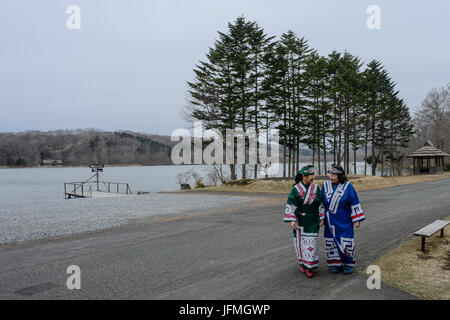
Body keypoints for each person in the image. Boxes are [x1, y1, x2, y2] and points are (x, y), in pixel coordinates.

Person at [322, 164, 365, 274]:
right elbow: (321, 204)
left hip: (344, 219)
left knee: (346, 241)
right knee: (331, 242)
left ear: (340, 176)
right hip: (330, 220)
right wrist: (321, 217)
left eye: (334, 175)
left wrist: (357, 219)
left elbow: (354, 202)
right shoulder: (325, 186)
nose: (331, 177)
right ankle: (335, 264)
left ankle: (348, 264)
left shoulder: (348, 186)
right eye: (330, 174)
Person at [283, 165, 325, 278]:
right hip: (300, 221)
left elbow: (320, 203)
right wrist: (292, 220)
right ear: (304, 176)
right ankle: (302, 263)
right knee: (300, 244)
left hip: (312, 220)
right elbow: (291, 204)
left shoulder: (316, 188)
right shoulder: (295, 189)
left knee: (312, 244)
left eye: (313, 175)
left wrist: (322, 217)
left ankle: (310, 266)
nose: (313, 177)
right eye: (311, 175)